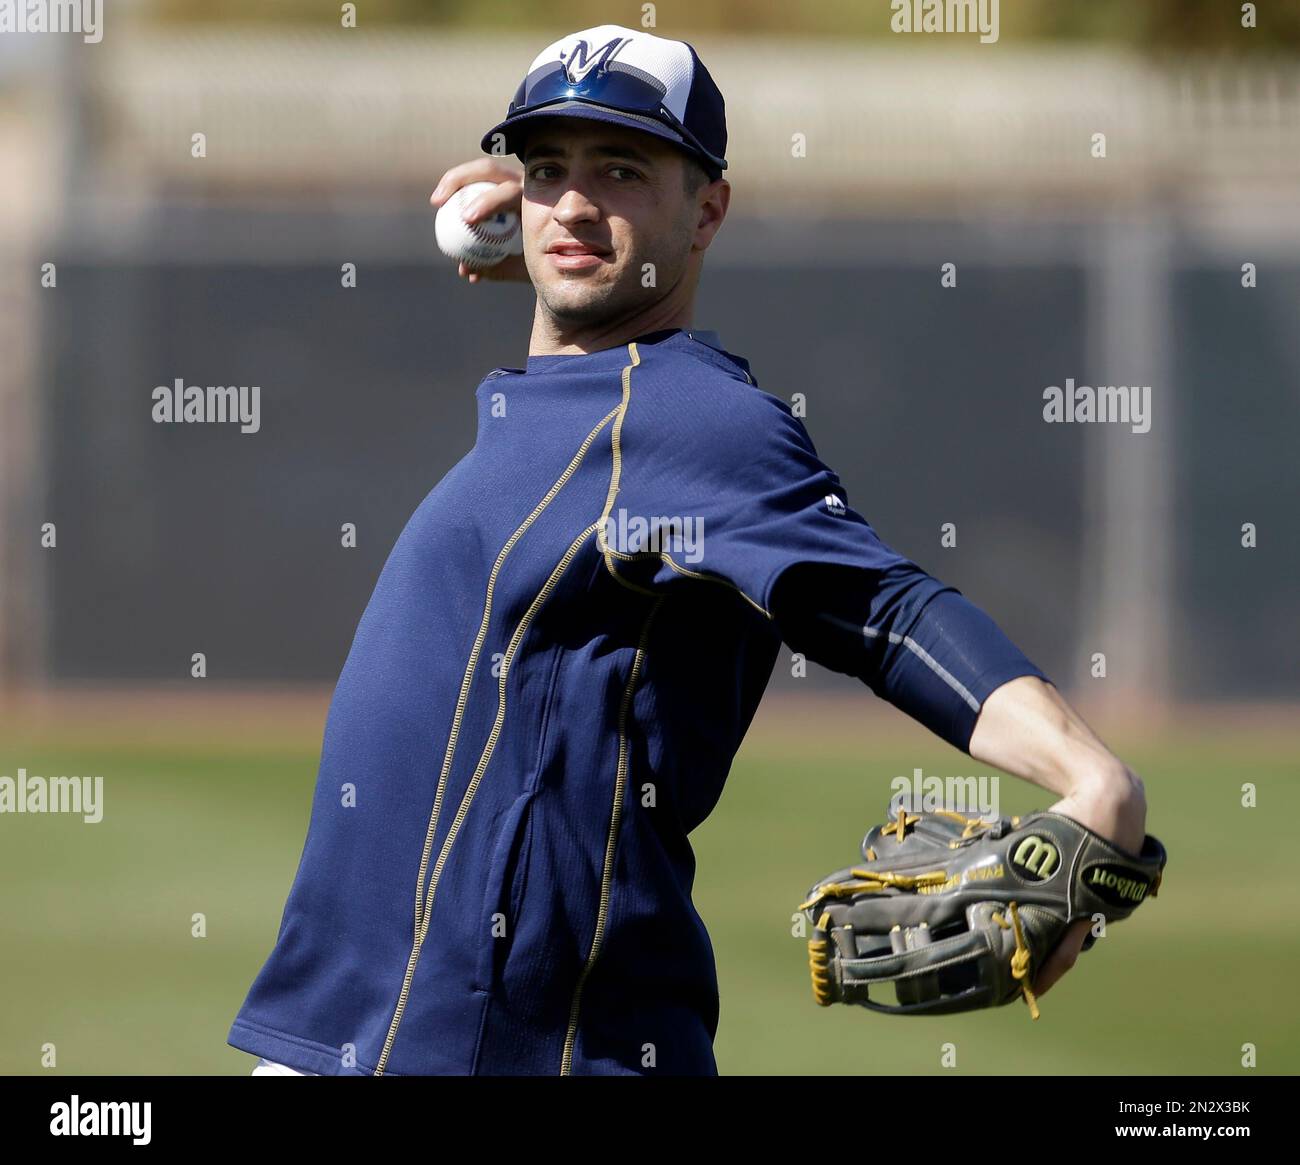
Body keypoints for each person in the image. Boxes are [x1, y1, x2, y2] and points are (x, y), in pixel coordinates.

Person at [232, 23, 1147, 1077]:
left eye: (623, 170)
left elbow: (885, 611)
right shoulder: (565, 395)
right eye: (545, 169)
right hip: (364, 1032)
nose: (573, 201)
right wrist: (566, 216)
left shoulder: (687, 417)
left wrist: (1090, 777)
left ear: (708, 208)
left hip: (497, 1043)